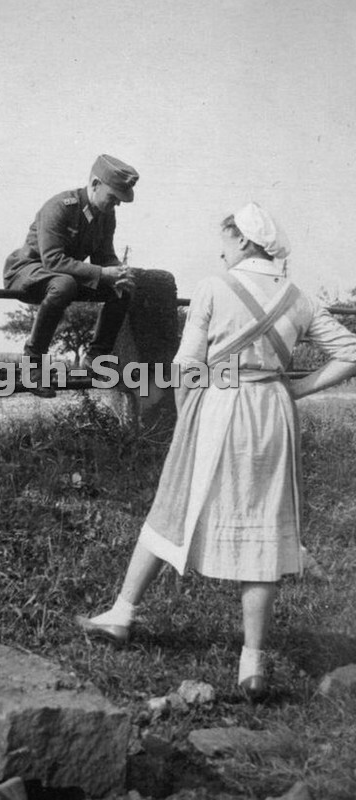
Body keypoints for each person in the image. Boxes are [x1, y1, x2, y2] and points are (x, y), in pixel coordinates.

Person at [76, 202, 356, 700]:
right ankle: (252, 662)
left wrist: (187, 416)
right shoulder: (300, 298)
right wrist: (296, 388)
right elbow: (352, 352)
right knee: (265, 525)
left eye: (225, 241)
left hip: (218, 404)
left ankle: (122, 613)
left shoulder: (212, 286)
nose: (220, 250)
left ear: (244, 241)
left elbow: (187, 366)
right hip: (272, 413)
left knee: (173, 504)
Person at [3, 154, 139, 397]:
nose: (116, 204)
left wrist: (118, 272)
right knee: (64, 284)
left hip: (64, 277)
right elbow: (52, 259)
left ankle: (96, 359)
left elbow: (104, 256)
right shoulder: (60, 206)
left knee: (122, 290)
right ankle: (32, 365)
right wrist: (101, 272)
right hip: (26, 271)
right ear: (95, 185)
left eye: (120, 200)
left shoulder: (106, 215)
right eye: (113, 197)